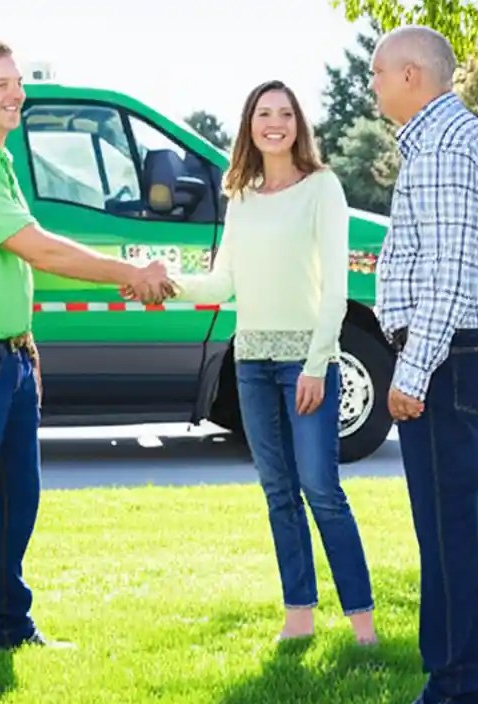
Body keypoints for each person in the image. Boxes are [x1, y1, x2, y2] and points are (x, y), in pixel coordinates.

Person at [0, 39, 175, 693]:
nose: (14, 93)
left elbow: (14, 261)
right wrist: (127, 273)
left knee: (14, 505)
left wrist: (26, 341)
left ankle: (5, 624)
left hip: (8, 360)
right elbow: (37, 248)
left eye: (17, 81)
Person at [133, 79, 378, 646]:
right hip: (252, 362)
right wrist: (164, 287)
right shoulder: (239, 194)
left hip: (305, 364)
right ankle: (299, 616)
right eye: (264, 114)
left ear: (299, 125)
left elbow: (336, 291)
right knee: (277, 490)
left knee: (322, 489)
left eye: (285, 114)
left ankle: (362, 625)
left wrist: (318, 364)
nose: (275, 123)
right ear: (249, 125)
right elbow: (223, 281)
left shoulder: (323, 188)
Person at [367, 25, 478, 704]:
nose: (373, 85)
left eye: (379, 73)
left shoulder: (440, 149)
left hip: (451, 360)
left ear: (413, 76)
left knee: (448, 531)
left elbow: (446, 275)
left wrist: (411, 373)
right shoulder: (465, 137)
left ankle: (455, 688)